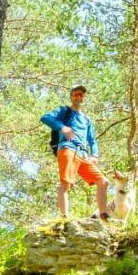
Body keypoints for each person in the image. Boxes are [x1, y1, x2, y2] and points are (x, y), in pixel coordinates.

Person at [40, 84, 112, 221]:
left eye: (81, 94)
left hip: (83, 154)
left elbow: (92, 140)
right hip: (68, 149)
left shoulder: (87, 120)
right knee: (65, 183)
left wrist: (94, 155)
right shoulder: (64, 111)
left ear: (84, 97)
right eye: (75, 94)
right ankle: (64, 218)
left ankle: (104, 216)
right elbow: (45, 118)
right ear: (71, 97)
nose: (78, 97)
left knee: (103, 182)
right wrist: (63, 128)